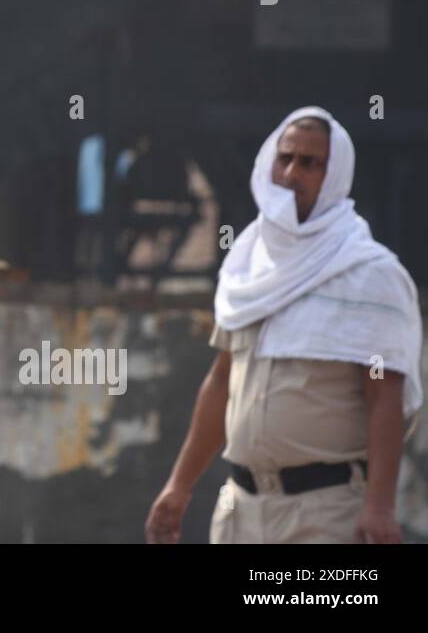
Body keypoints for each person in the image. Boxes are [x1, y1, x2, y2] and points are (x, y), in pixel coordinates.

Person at [146, 106, 423, 543]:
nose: (292, 172)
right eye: (286, 158)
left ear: (334, 176)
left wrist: (379, 506)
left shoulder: (369, 273)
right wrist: (179, 487)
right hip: (240, 507)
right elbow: (222, 381)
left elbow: (383, 394)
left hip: (326, 512)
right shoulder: (250, 263)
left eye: (310, 163)